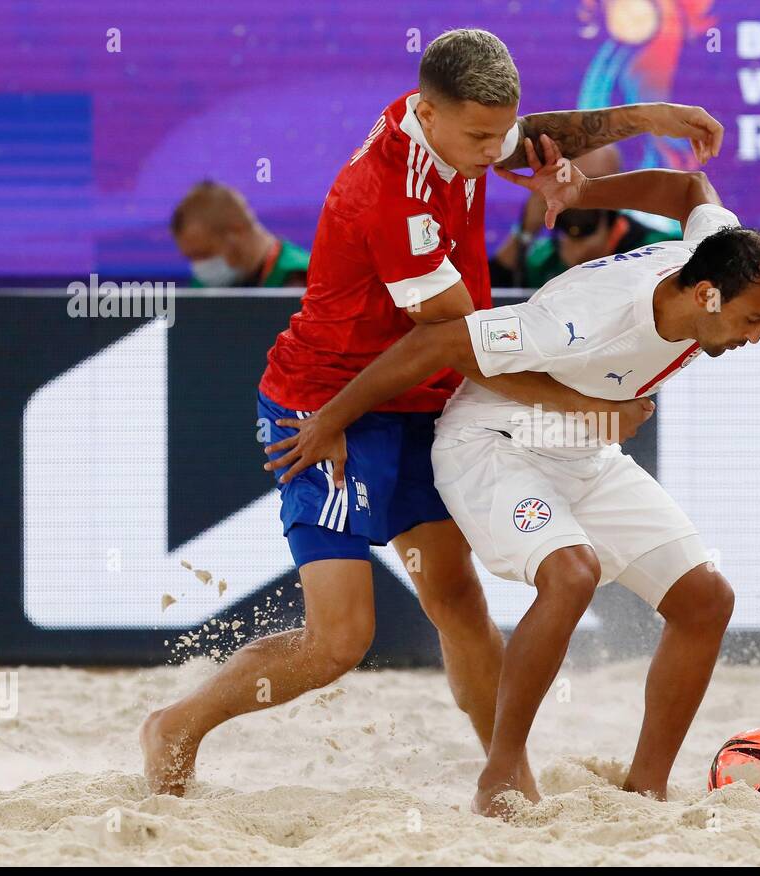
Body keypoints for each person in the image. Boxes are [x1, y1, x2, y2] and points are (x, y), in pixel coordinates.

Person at [140, 28, 724, 797]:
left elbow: (545, 136)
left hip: (421, 401)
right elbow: (465, 346)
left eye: (497, 133)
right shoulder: (389, 193)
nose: (496, 153)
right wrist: (588, 406)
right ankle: (176, 726)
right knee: (339, 641)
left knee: (456, 599)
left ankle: (506, 774)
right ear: (428, 110)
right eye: (481, 137)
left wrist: (654, 114)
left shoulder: (459, 132)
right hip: (334, 408)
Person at [265, 144, 760, 816]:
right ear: (706, 294)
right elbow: (438, 344)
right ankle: (501, 773)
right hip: (493, 445)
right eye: (752, 320)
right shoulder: (584, 320)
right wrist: (330, 419)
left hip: (581, 452)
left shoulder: (717, 252)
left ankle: (647, 790)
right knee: (570, 572)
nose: (756, 337)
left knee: (706, 600)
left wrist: (579, 191)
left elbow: (689, 187)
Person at [488, 145, 680, 288]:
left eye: (594, 181)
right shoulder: (541, 258)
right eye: (569, 180)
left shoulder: (658, 247)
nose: (581, 192)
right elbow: (494, 296)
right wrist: (526, 230)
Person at [170, 181, 311, 287]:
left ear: (237, 231)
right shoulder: (201, 288)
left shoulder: (306, 278)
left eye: (205, 254)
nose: (200, 267)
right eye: (192, 258)